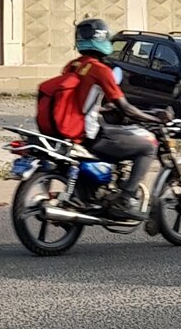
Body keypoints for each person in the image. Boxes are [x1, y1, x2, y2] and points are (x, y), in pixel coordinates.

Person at [69, 18, 168, 220]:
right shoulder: (101, 70)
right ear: (103, 40)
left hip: (71, 129)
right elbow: (127, 108)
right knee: (148, 146)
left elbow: (83, 102)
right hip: (89, 134)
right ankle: (126, 198)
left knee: (119, 138)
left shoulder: (73, 66)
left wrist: (103, 109)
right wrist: (155, 118)